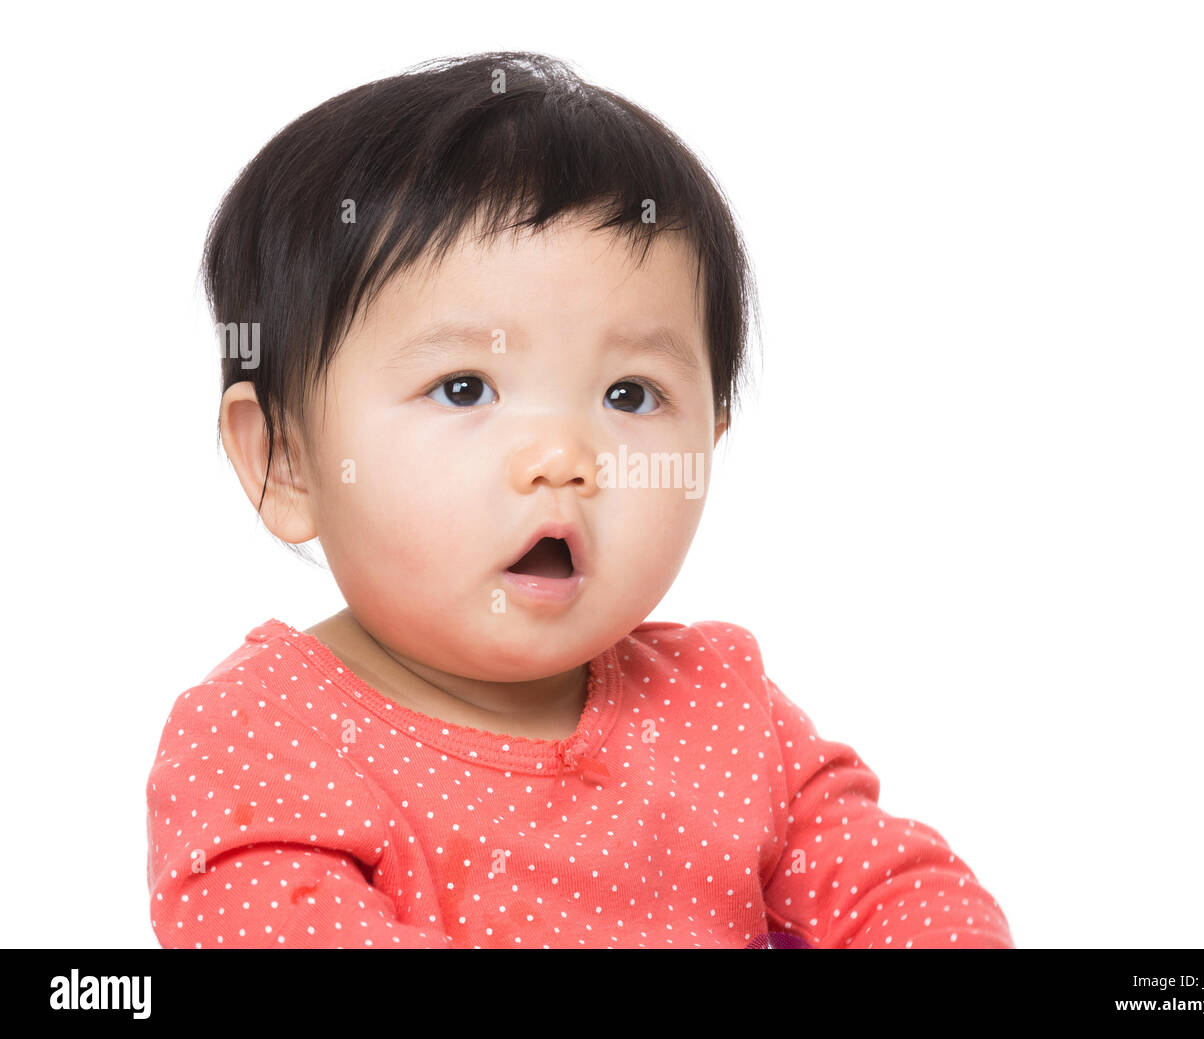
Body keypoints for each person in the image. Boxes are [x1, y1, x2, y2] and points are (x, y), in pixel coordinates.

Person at [146, 50, 1013, 949]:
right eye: (465, 388)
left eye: (630, 395)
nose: (562, 457)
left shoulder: (727, 714)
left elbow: (903, 893)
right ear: (285, 459)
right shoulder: (264, 740)